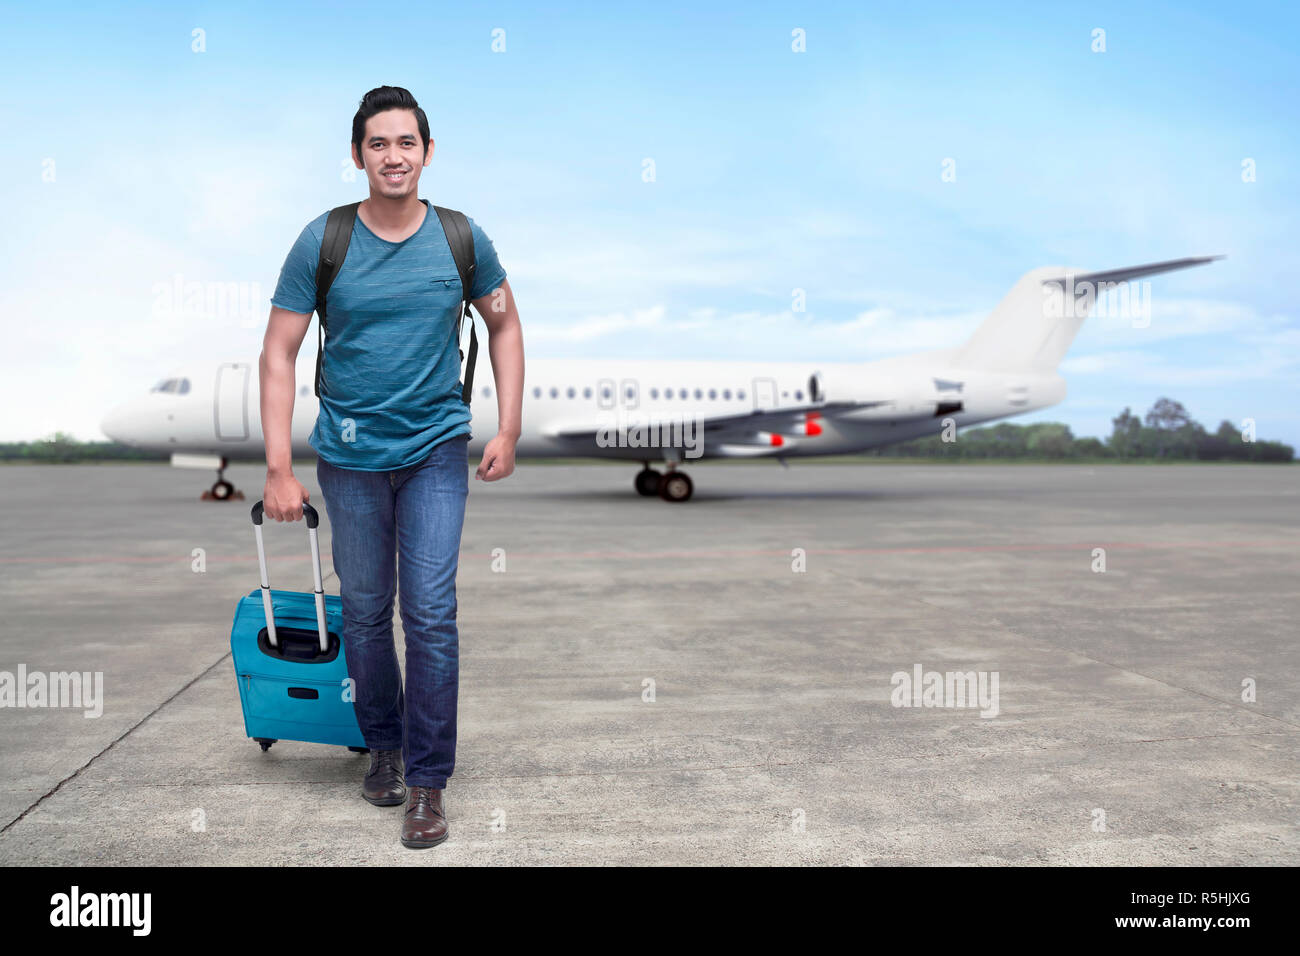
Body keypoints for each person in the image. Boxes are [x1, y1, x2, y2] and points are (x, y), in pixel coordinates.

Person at [258, 85, 524, 849]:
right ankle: (384, 746)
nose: (394, 156)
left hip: (437, 448)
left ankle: (429, 784)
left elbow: (504, 326)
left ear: (427, 152)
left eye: (406, 142)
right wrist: (280, 466)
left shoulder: (462, 238)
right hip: (347, 455)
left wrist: (507, 424)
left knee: (431, 612)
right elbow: (278, 352)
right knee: (369, 613)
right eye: (378, 144)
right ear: (357, 156)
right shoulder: (323, 241)